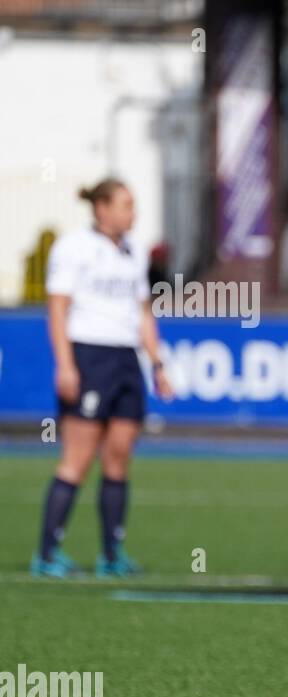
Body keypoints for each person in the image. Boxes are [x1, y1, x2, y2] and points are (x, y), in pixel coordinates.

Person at [31, 178, 173, 578]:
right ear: (101, 209)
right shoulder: (73, 248)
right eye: (126, 204)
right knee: (77, 459)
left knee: (119, 457)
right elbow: (57, 309)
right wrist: (66, 364)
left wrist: (157, 364)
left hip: (126, 358)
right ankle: (47, 552)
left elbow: (143, 312)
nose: (134, 212)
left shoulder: (134, 251)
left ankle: (112, 553)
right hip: (89, 355)